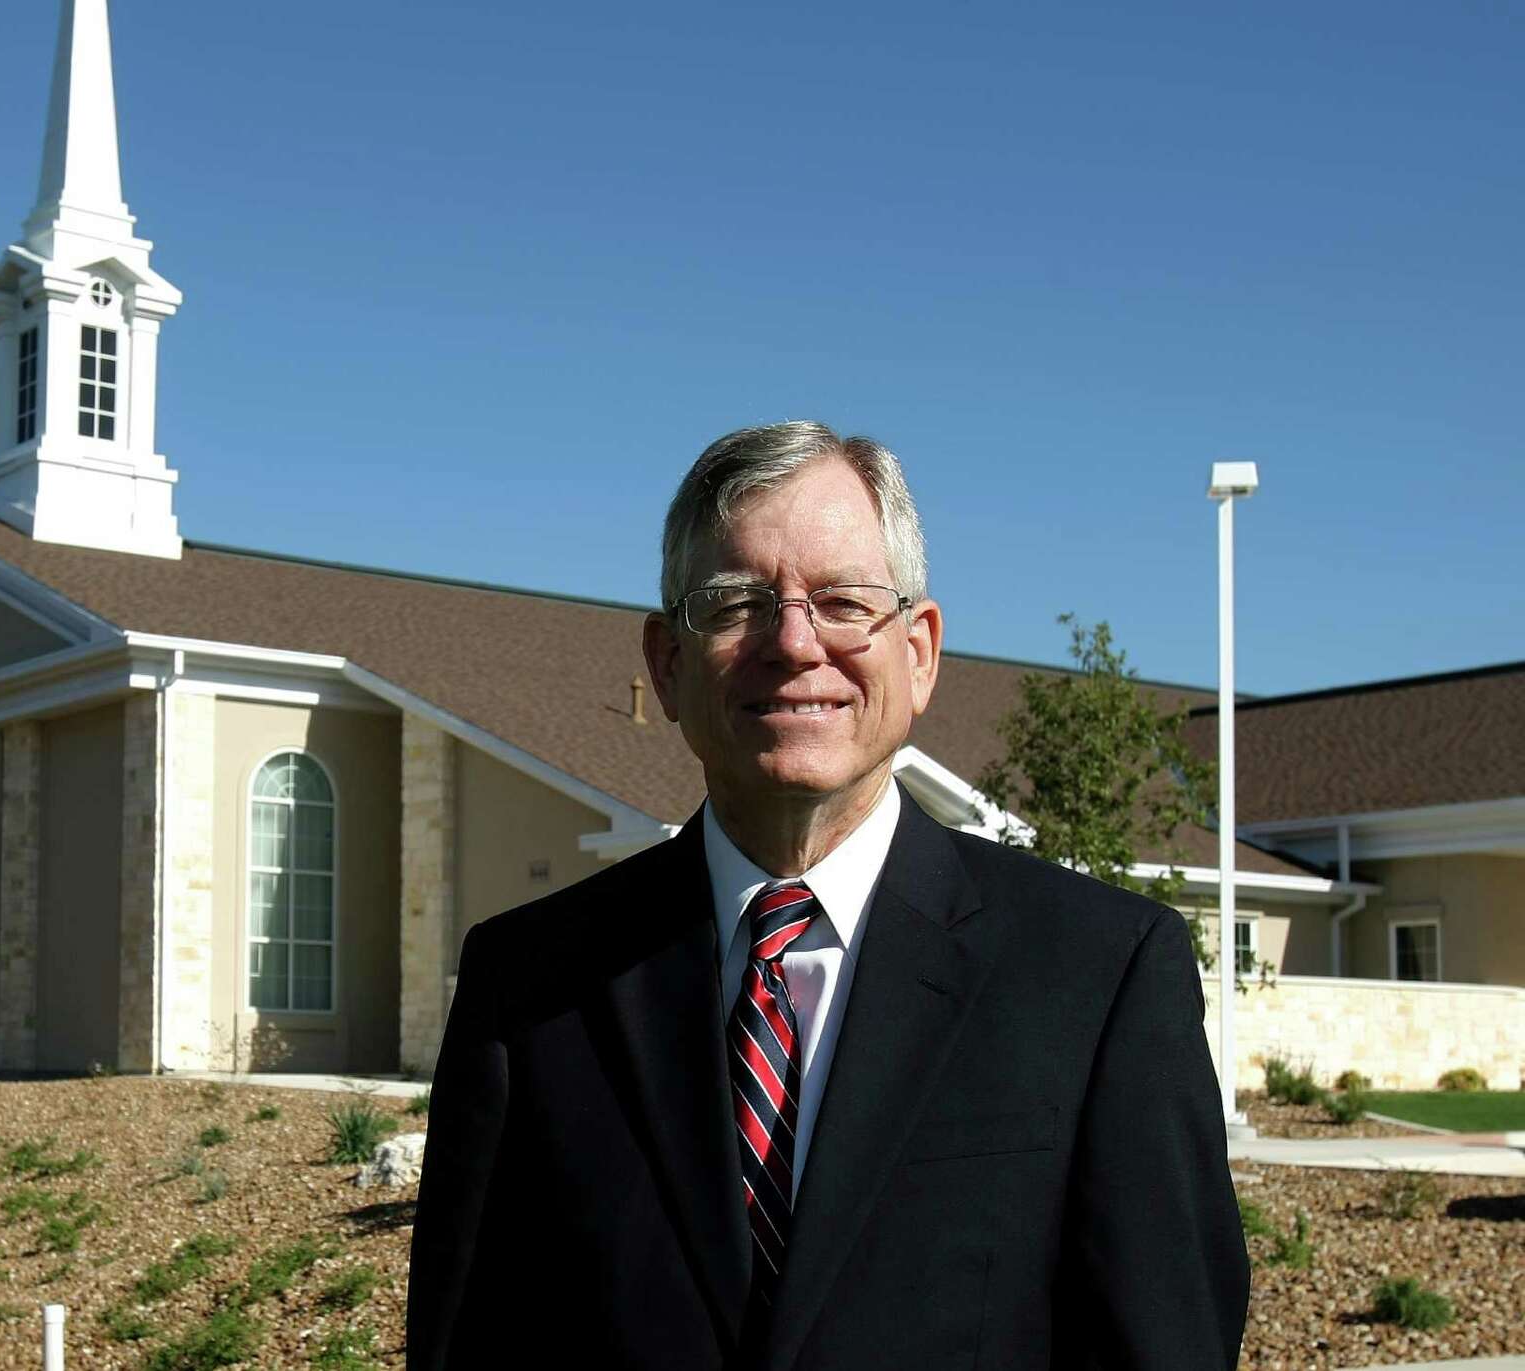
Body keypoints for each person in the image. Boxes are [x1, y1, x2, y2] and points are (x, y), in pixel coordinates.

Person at [407, 422, 1249, 1369]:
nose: (795, 642)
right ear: (668, 664)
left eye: (844, 602)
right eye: (736, 603)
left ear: (920, 652)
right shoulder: (528, 988)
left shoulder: (1098, 979)